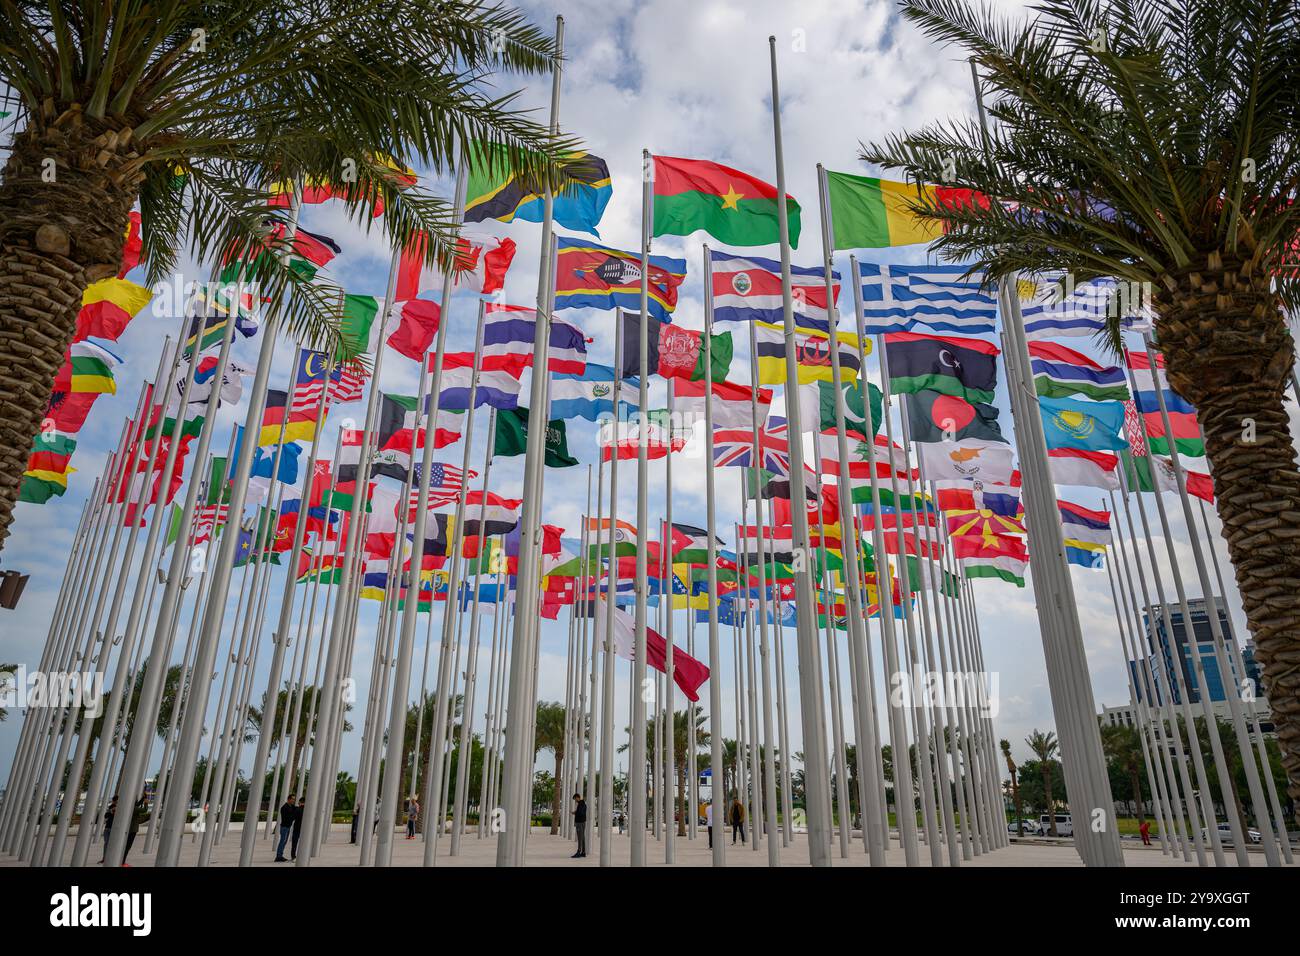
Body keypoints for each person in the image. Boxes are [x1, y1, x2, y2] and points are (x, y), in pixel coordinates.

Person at [122, 795, 148, 866]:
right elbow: (144, 810)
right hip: (132, 829)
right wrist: (146, 803)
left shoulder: (130, 807)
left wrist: (143, 798)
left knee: (126, 846)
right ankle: (122, 862)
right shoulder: (134, 809)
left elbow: (137, 804)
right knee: (128, 846)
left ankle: (122, 861)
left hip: (129, 829)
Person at [275, 794, 297, 861]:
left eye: (294, 799)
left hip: (288, 827)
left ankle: (280, 855)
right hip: (284, 827)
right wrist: (293, 816)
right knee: (282, 841)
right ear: (289, 799)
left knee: (284, 841)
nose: (293, 800)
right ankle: (278, 856)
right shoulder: (284, 807)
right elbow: (287, 818)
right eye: (292, 799)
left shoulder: (292, 806)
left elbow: (297, 809)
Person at [98, 796, 118, 864]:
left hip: (115, 829)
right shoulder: (111, 807)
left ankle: (113, 858)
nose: (115, 803)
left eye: (116, 802)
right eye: (114, 801)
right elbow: (106, 816)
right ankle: (104, 858)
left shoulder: (121, 808)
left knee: (113, 844)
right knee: (106, 843)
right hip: (108, 827)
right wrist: (111, 811)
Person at [571, 793, 587, 858]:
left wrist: (575, 812)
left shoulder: (580, 804)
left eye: (575, 799)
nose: (575, 800)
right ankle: (583, 852)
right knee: (582, 837)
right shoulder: (584, 804)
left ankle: (579, 852)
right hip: (583, 822)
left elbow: (580, 813)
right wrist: (576, 812)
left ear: (577, 797)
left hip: (580, 823)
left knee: (580, 838)